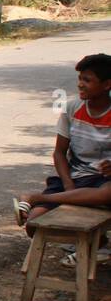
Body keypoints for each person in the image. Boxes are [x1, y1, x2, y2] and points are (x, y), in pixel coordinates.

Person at [15, 54, 111, 230]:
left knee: (107, 193)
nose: (80, 84)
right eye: (80, 79)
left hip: (103, 182)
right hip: (75, 178)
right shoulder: (72, 109)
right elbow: (59, 152)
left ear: (107, 84)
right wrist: (68, 186)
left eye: (87, 80)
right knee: (33, 225)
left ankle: (36, 198)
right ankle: (94, 244)